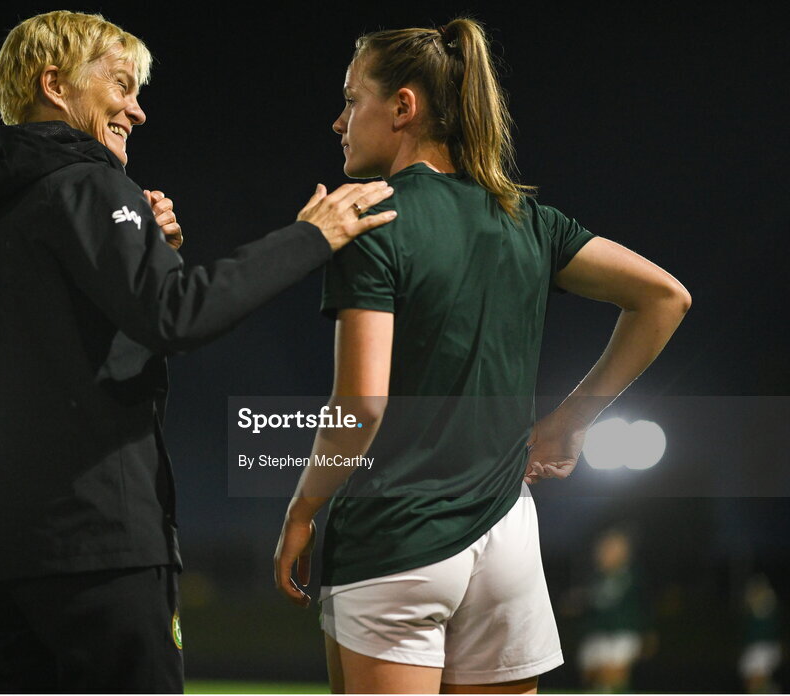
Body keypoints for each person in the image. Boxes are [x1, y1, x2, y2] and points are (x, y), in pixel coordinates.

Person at [0, 10, 396, 694]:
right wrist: (309, 238)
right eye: (121, 85)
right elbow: (176, 316)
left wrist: (143, 257)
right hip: (98, 553)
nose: (138, 109)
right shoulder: (89, 184)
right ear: (55, 85)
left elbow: (58, 360)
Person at [273, 17, 692, 695]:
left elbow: (361, 405)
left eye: (353, 100)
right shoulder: (530, 221)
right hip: (507, 540)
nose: (339, 120)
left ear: (403, 107)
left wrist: (301, 511)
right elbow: (665, 299)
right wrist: (570, 422)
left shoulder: (372, 220)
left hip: (393, 538)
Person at [574, 529, 650, 693]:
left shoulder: (633, 575)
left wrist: (648, 633)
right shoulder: (594, 577)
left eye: (614, 548)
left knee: (614, 675)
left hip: (623, 631)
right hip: (596, 632)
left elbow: (646, 605)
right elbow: (589, 603)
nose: (607, 552)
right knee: (591, 676)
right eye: (605, 548)